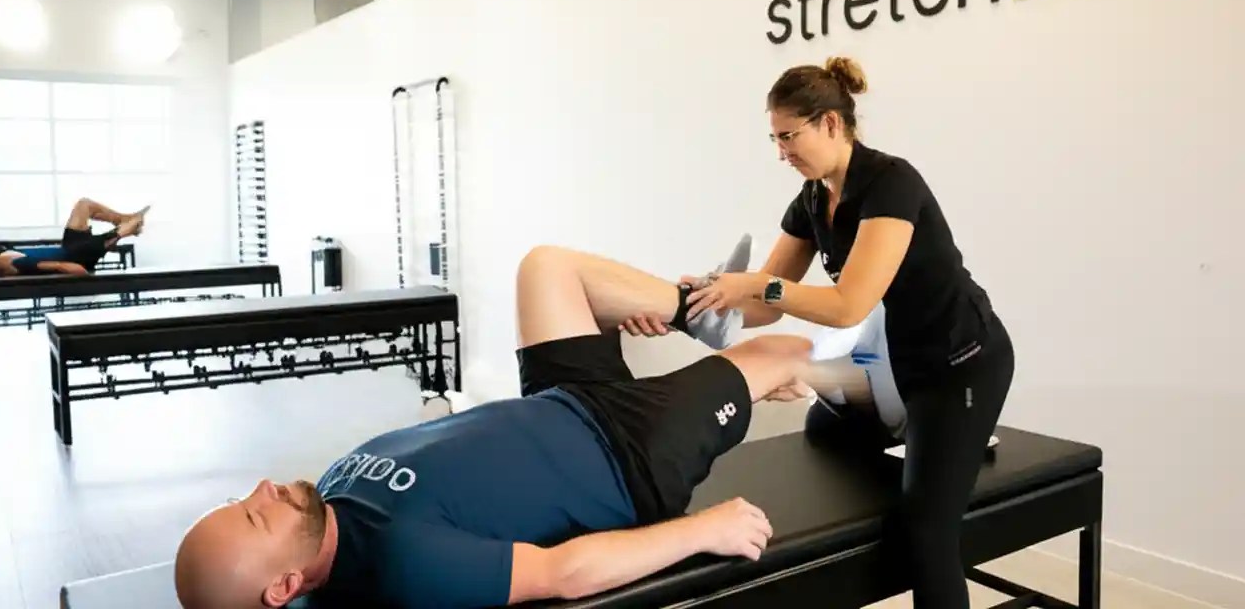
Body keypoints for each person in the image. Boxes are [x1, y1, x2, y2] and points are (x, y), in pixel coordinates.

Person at [174, 243, 841, 609]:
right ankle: (880, 386)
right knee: (778, 354)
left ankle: (698, 312)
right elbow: (563, 573)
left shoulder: (326, 500)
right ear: (285, 587)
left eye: (241, 501)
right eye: (256, 517)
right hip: (626, 452)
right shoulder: (402, 569)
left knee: (546, 267)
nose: (263, 488)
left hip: (560, 401)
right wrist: (705, 530)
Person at [622, 56, 1014, 608]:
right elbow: (767, 307)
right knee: (823, 431)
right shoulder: (812, 201)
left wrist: (755, 285)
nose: (781, 153)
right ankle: (918, 461)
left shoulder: (891, 184)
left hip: (961, 366)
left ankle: (952, 443)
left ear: (831, 123)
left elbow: (847, 304)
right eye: (774, 139)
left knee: (927, 529)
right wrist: (690, 305)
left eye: (789, 136)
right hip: (897, 367)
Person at [0, 198, 148, 277]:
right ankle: (129, 226)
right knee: (120, 232)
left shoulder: (9, 260)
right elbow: (61, 266)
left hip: (70, 247)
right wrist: (90, 279)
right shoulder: (15, 263)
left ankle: (123, 220)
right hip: (76, 255)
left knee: (84, 204)